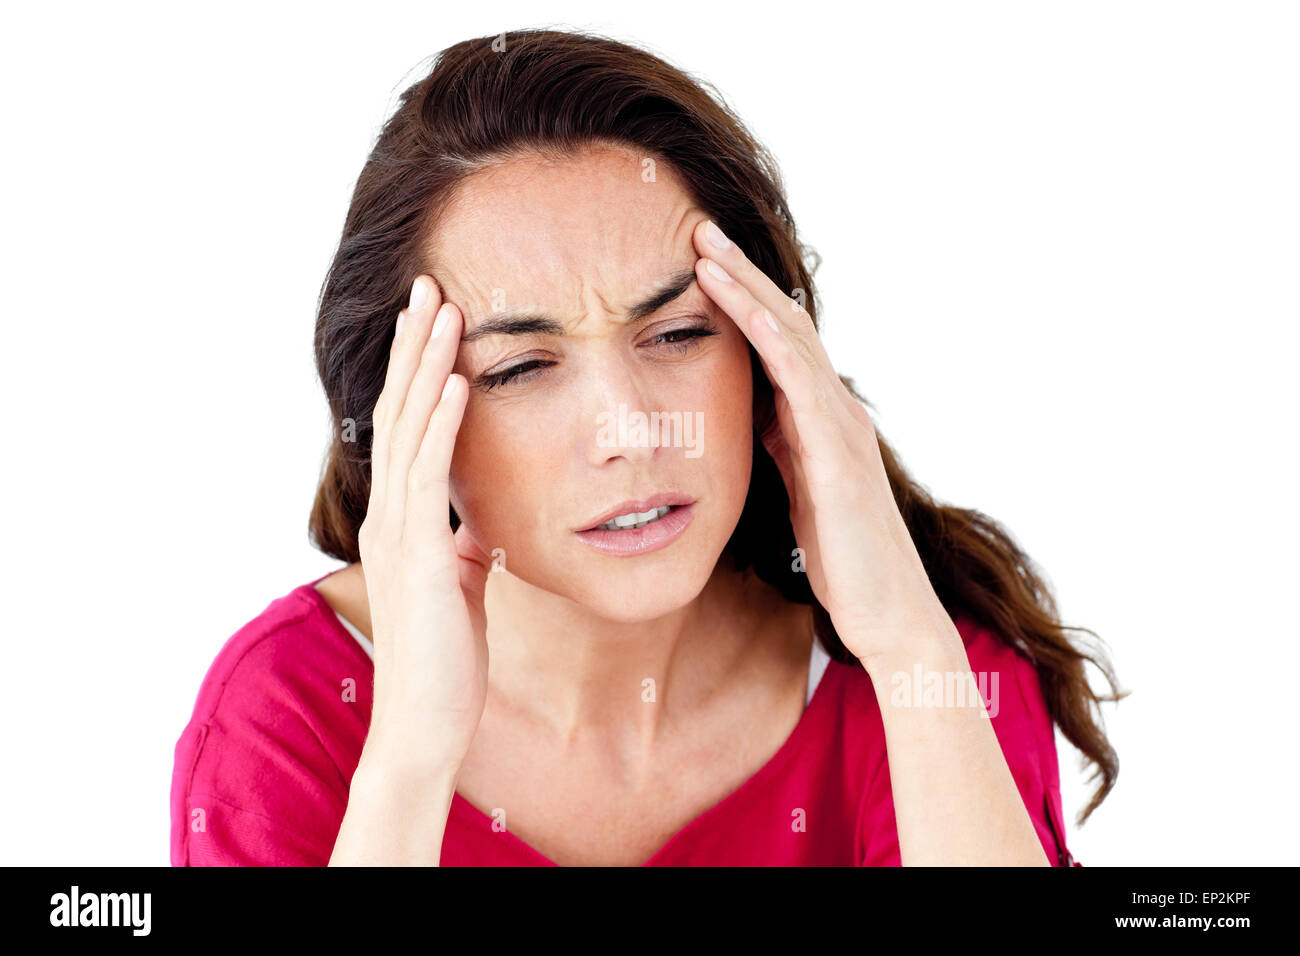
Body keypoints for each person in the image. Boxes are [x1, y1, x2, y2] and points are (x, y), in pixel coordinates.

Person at [171, 28, 1122, 867]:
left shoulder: (926, 670)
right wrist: (412, 757)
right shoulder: (285, 717)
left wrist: (911, 643)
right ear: (406, 416)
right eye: (519, 369)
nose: (629, 431)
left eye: (676, 336)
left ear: (771, 356)